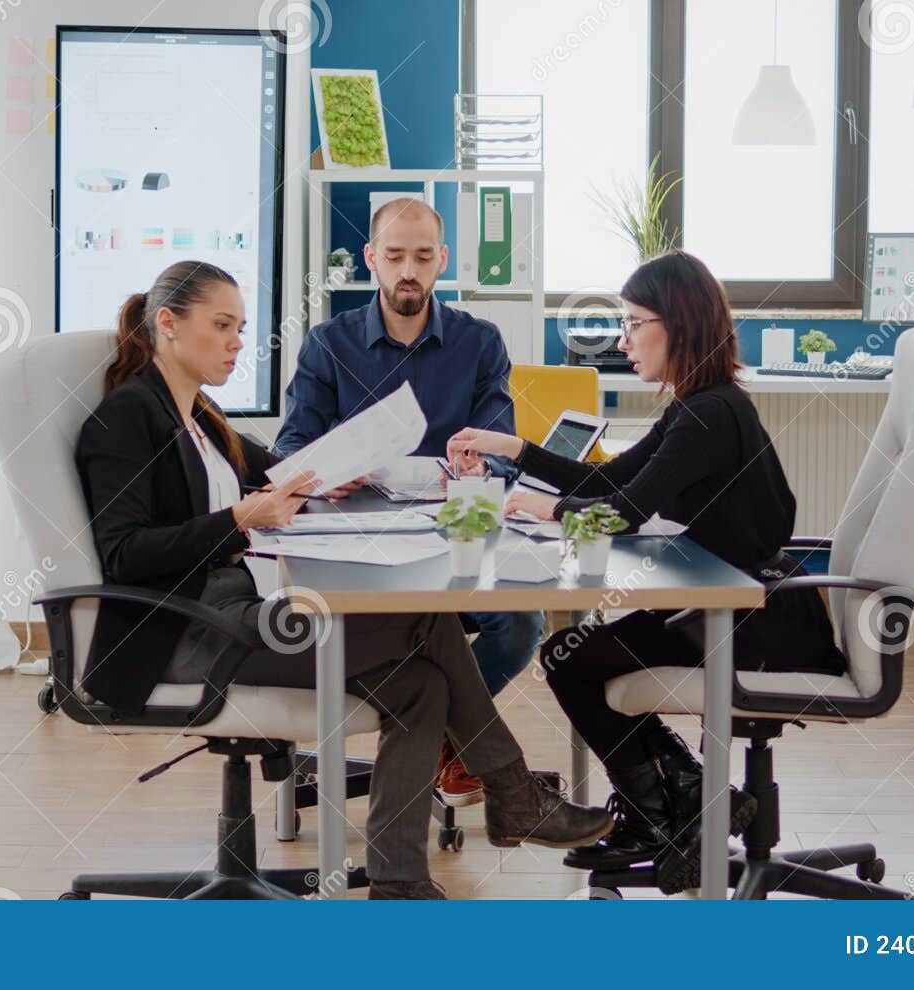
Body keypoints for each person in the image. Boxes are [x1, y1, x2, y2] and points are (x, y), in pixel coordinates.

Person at [74, 260, 612, 900]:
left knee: (418, 685)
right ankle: (512, 794)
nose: (236, 343)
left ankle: (400, 880)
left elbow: (278, 466)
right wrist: (239, 518)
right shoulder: (128, 417)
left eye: (240, 329)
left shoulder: (198, 414)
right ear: (167, 324)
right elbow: (125, 553)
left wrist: (331, 472)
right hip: (187, 632)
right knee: (427, 620)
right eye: (222, 327)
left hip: (238, 604)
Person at [446, 250, 847, 894]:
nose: (623, 338)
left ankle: (664, 812)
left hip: (759, 620)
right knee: (574, 657)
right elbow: (609, 479)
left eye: (635, 323)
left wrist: (542, 507)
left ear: (679, 326)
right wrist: (512, 449)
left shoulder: (709, 414)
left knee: (570, 659)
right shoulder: (699, 405)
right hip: (737, 601)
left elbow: (624, 512)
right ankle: (677, 803)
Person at [273, 197, 544, 806]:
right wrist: (322, 473)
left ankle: (447, 742)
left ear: (442, 260)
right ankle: (458, 744)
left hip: (452, 540)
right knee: (413, 633)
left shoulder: (479, 342)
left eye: (423, 257)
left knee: (525, 622)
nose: (408, 271)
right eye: (394, 256)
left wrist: (480, 467)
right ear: (371, 258)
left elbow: (502, 447)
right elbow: (291, 446)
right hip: (359, 547)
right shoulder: (328, 343)